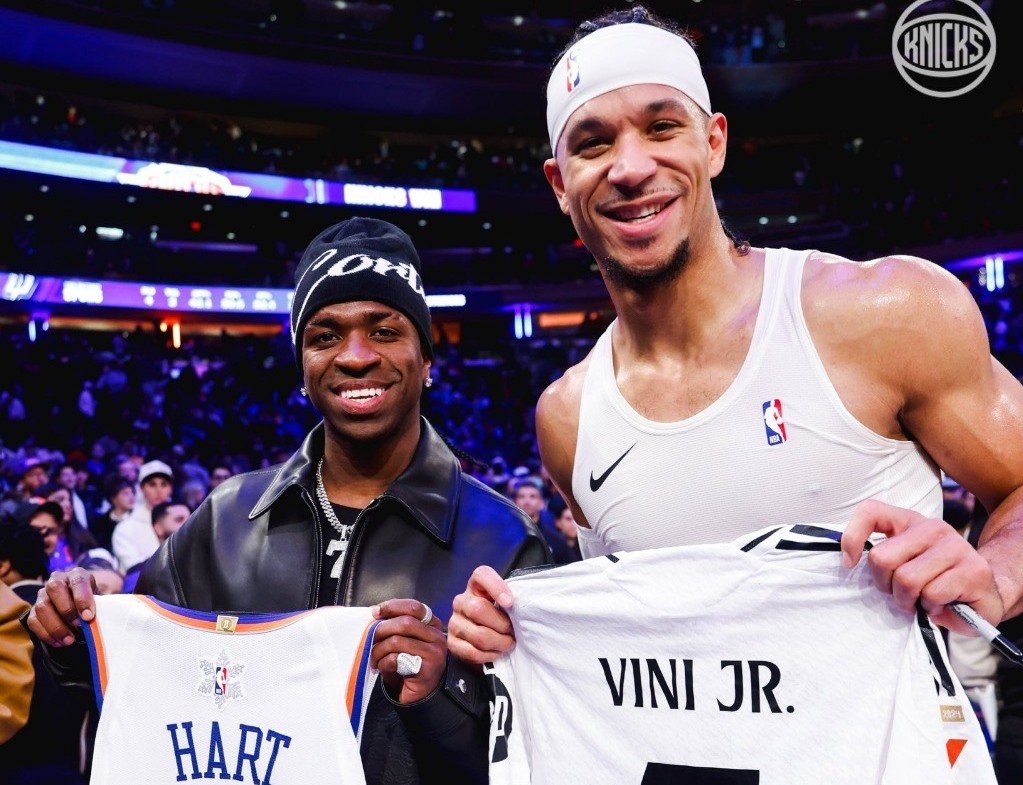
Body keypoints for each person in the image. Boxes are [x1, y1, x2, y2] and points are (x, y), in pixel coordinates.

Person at [447, 5, 1023, 667]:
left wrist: (997, 574)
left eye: (661, 127)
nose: (629, 167)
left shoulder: (885, 312)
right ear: (558, 183)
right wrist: (508, 637)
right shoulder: (568, 416)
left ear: (714, 142)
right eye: (593, 143)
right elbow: (623, 635)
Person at [26, 216, 550, 785]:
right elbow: (142, 691)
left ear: (426, 360)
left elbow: (544, 756)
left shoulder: (506, 543)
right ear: (302, 368)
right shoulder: (224, 520)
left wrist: (440, 696)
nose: (354, 356)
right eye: (325, 336)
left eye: (384, 331)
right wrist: (71, 638)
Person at [110, 458, 173, 572]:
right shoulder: (125, 528)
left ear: (171, 489)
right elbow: (133, 568)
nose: (158, 490)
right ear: (142, 488)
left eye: (164, 484)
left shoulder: (182, 523)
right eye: (152, 484)